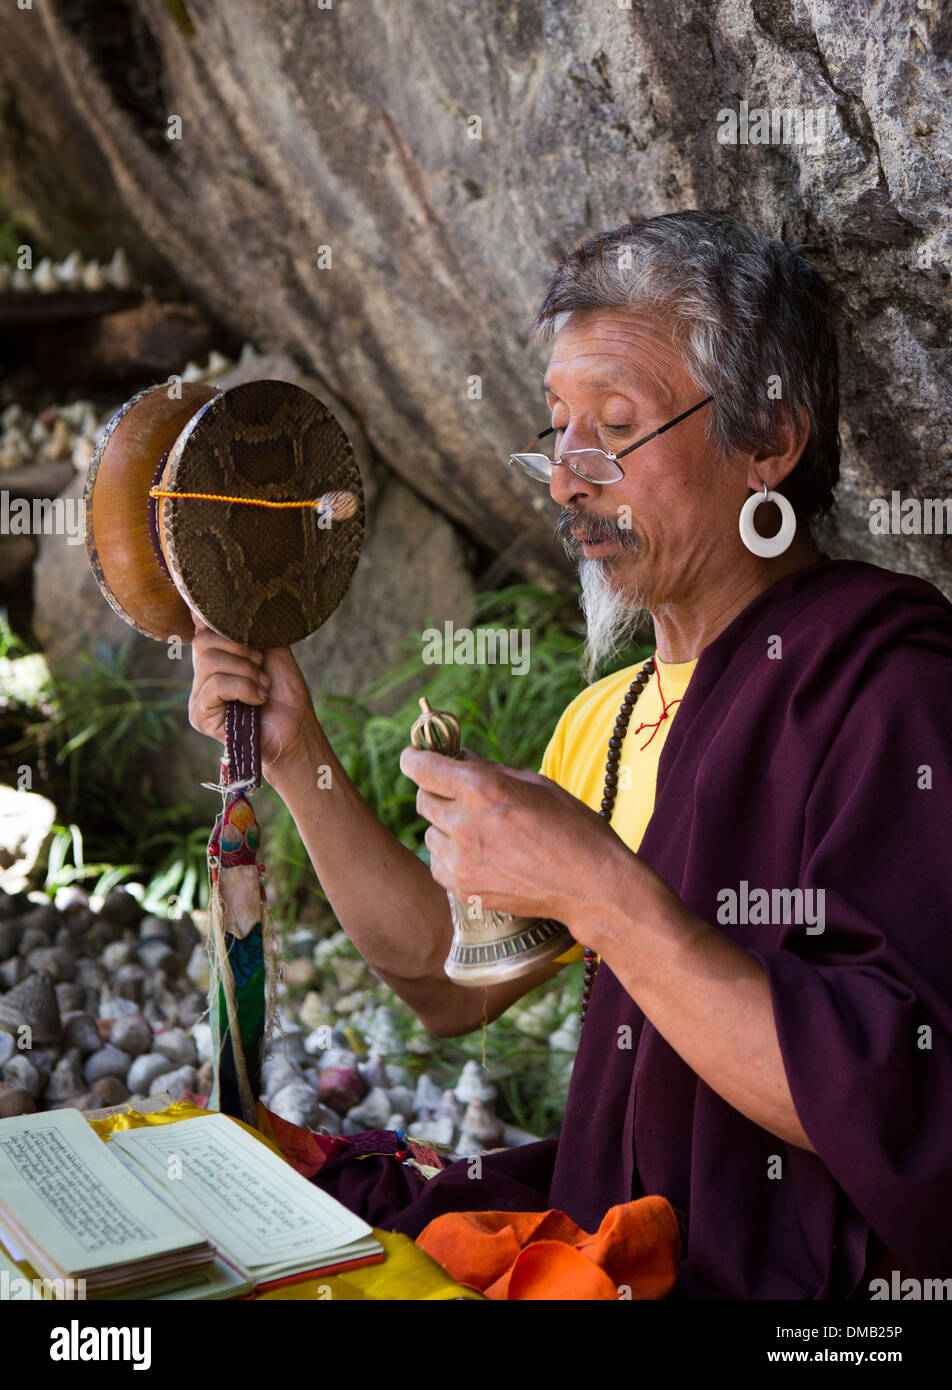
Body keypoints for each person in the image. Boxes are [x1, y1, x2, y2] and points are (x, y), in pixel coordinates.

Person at [188, 211, 952, 1299]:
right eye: (555, 430)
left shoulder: (891, 690)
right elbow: (449, 987)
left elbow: (901, 1107)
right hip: (627, 1222)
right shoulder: (612, 714)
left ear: (767, 442)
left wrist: (599, 888)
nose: (565, 479)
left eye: (615, 428)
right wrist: (296, 750)